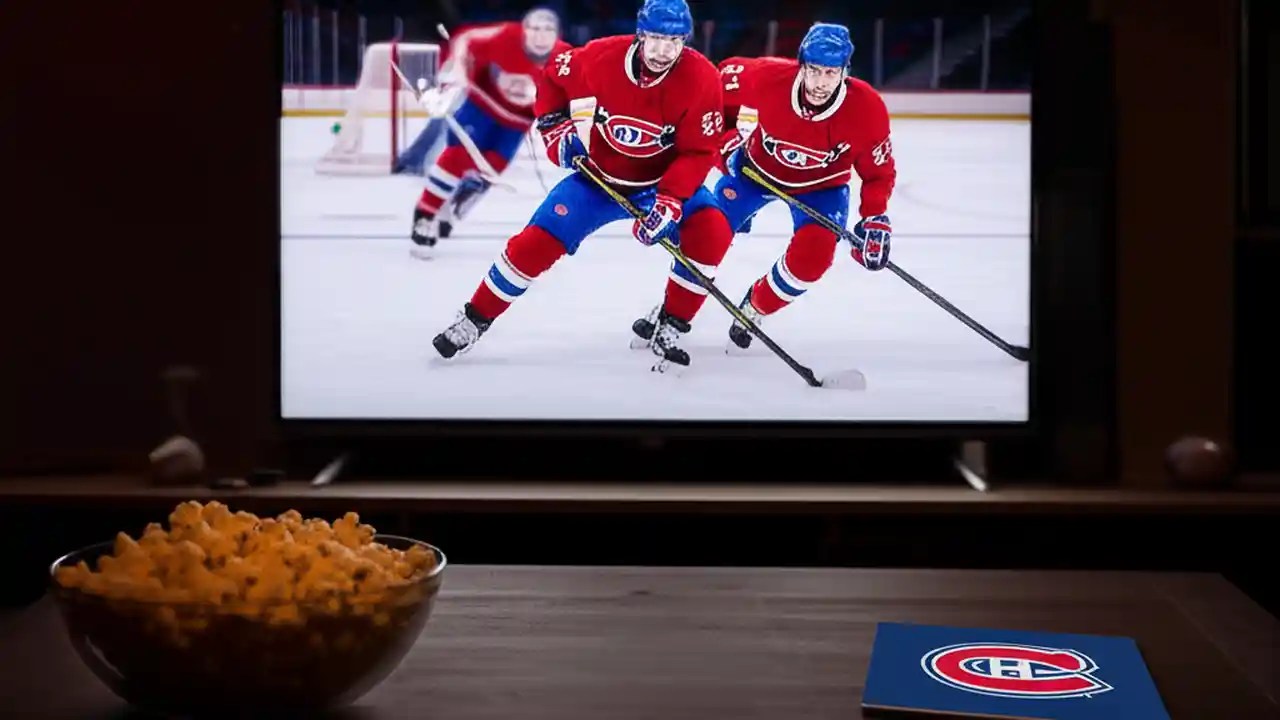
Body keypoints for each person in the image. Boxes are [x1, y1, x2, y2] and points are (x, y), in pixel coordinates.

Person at [429, 0, 733, 374]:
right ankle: (474, 318)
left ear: (685, 40)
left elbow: (699, 151)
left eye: (674, 41)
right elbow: (552, 75)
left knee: (712, 231)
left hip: (660, 185)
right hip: (598, 180)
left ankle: (670, 323)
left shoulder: (702, 78)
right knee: (533, 244)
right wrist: (555, 126)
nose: (663, 51)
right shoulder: (601, 58)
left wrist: (670, 201)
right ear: (640, 35)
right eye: (655, 39)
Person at [646, 23, 897, 352]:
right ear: (800, 65)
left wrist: (875, 218)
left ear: (845, 72)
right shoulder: (763, 77)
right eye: (814, 71)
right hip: (754, 173)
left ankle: (754, 308)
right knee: (705, 236)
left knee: (813, 260)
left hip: (821, 188)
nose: (821, 83)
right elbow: (711, 100)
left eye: (831, 73)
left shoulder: (867, 108)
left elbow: (878, 173)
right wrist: (724, 146)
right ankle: (671, 314)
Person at [407, 8, 571, 259]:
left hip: (517, 123)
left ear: (557, 35)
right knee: (457, 157)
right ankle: (425, 215)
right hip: (481, 105)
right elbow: (464, 37)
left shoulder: (565, 58)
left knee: (490, 170)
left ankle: (450, 207)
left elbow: (578, 90)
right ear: (523, 30)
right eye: (534, 29)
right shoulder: (505, 35)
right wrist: (454, 69)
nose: (540, 36)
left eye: (548, 30)